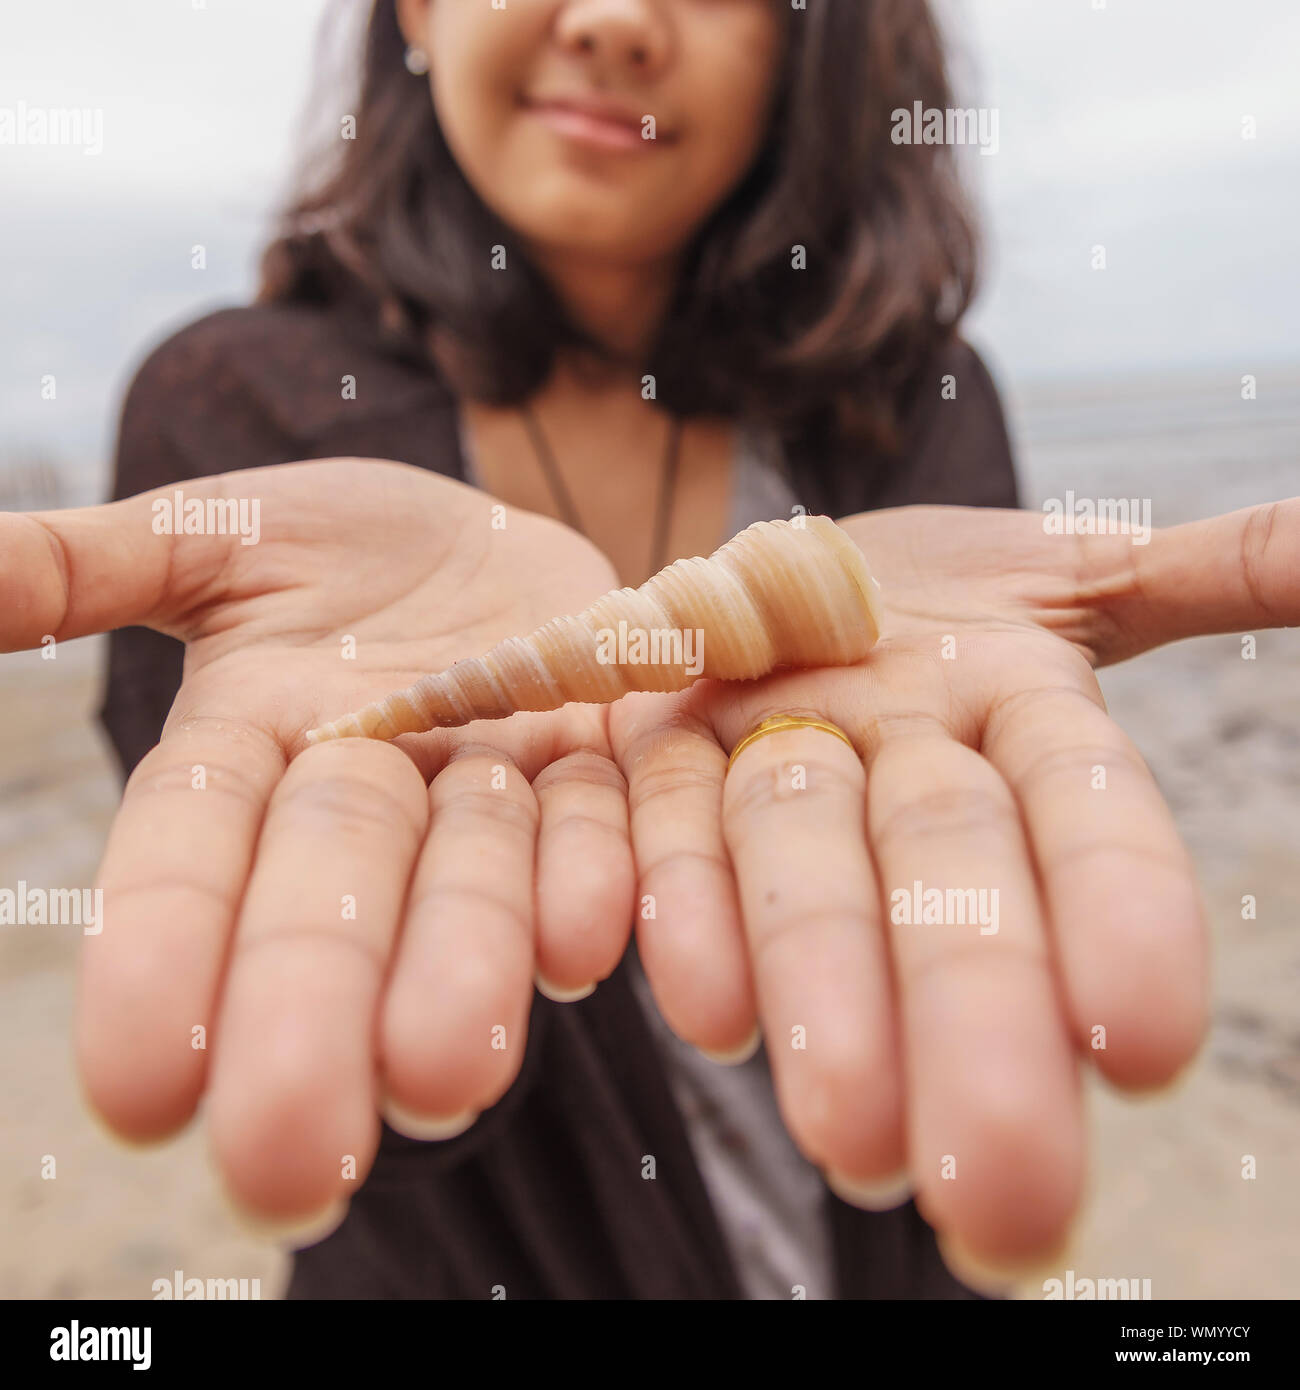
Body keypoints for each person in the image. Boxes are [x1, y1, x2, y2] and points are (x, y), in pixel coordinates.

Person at [4, 0, 1294, 1299]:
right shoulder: (239, 408)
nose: (616, 18)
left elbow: (953, 981)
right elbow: (305, 1030)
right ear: (418, 14)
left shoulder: (908, 397)